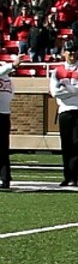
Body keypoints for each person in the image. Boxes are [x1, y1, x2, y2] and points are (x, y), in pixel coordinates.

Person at [48, 40, 78, 187]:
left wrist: (66, 87)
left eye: (73, 50)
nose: (71, 53)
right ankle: (67, 176)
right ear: (63, 53)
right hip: (64, 111)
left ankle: (74, 177)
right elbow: (55, 93)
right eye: (68, 51)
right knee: (66, 145)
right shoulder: (57, 71)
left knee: (77, 144)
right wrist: (73, 89)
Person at [0, 59, 16, 189]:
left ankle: (5, 178)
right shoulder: (8, 80)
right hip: (5, 114)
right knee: (3, 149)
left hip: (3, 114)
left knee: (3, 149)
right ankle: (5, 178)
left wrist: (12, 65)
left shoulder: (7, 79)